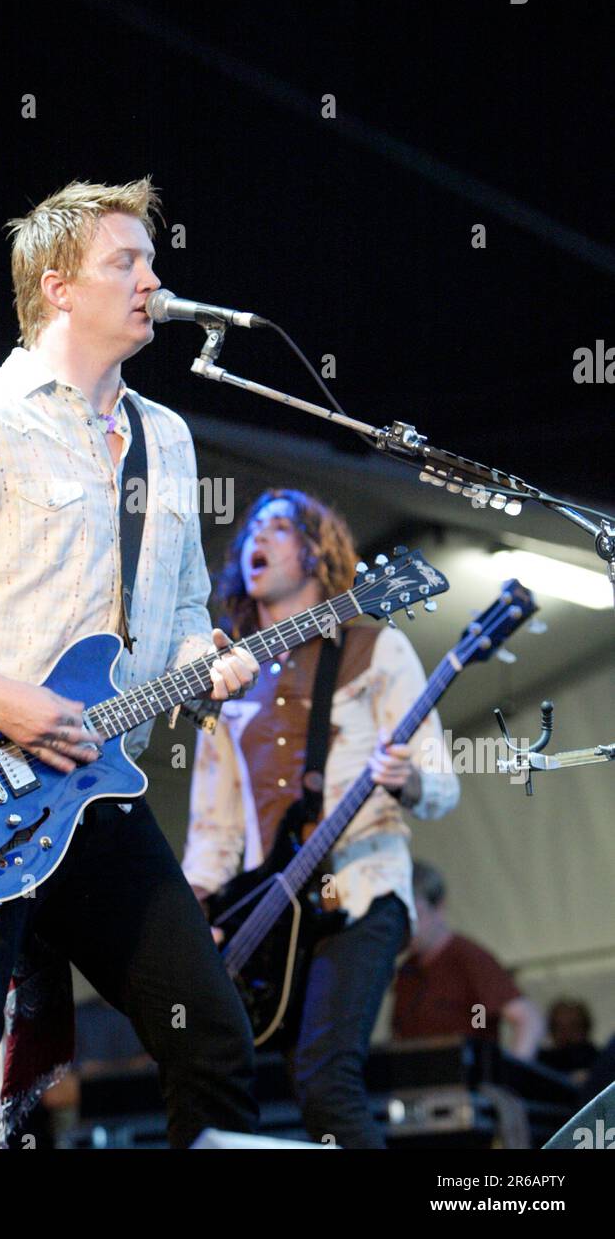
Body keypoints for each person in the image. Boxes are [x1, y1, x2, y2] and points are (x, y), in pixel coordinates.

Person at [0, 177, 260, 1149]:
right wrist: (11, 702)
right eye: (126, 261)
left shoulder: (167, 437)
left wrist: (207, 655)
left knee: (213, 1042)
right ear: (57, 285)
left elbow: (185, 606)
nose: (153, 280)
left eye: (151, 261)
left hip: (98, 793)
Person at [181, 489, 459, 1148]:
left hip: (359, 890)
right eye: (250, 531)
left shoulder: (375, 649)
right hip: (268, 908)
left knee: (325, 1078)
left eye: (276, 528)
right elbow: (215, 826)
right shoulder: (229, 674)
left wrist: (407, 778)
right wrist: (194, 915)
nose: (258, 540)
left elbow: (440, 780)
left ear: (315, 550)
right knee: (233, 1088)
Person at [391, 861, 545, 1060]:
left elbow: (528, 1019)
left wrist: (509, 1079)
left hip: (462, 1083)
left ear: (439, 907)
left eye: (415, 915)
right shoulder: (407, 970)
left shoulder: (467, 957)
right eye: (399, 917)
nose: (407, 927)